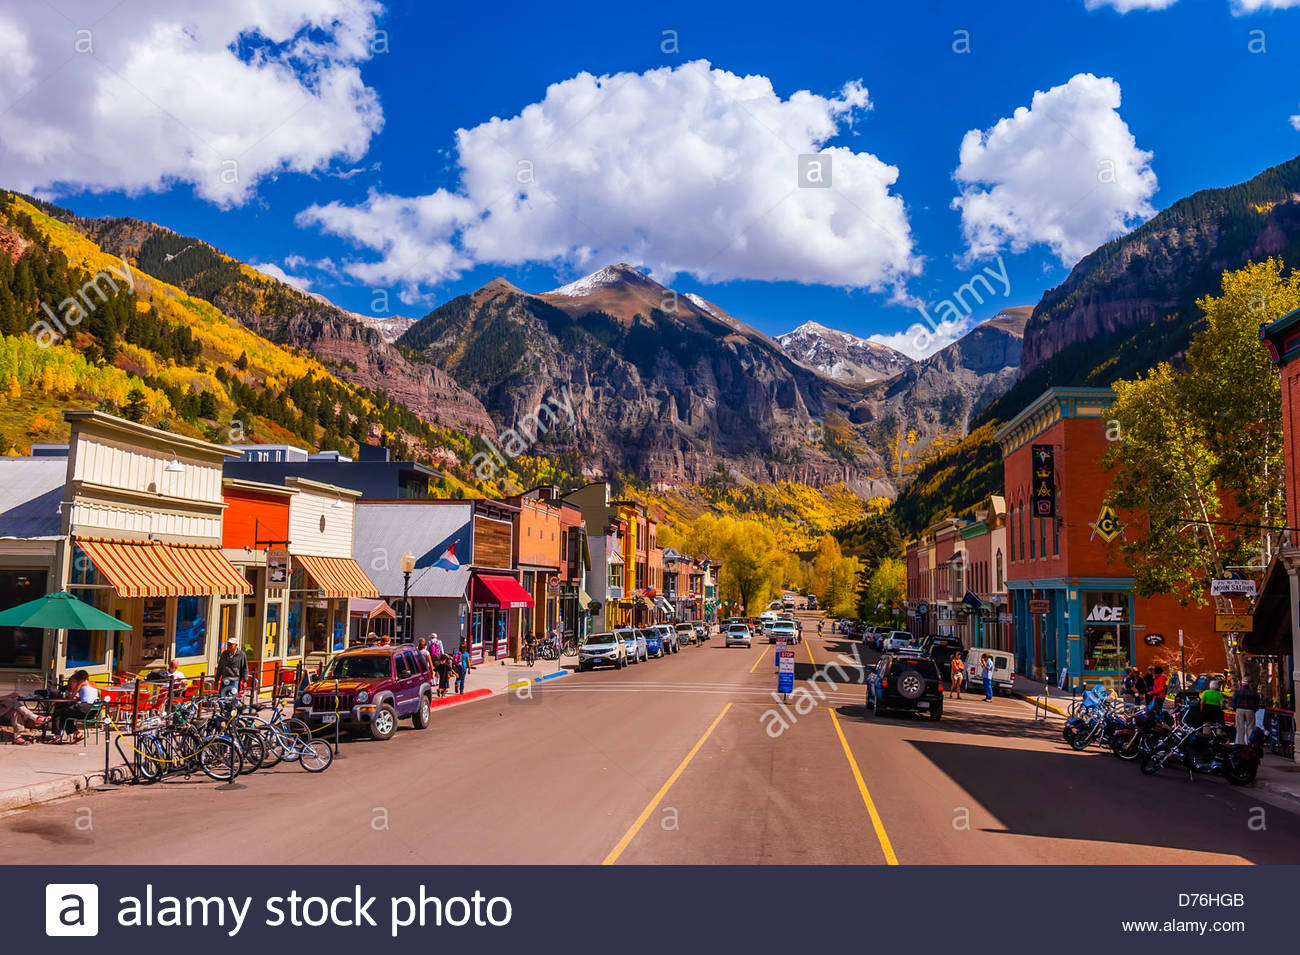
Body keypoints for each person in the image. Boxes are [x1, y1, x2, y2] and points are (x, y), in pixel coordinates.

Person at [55, 670, 100, 742]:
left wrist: (67, 695)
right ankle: (77, 734)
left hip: (84, 708)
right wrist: (79, 698)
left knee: (59, 713)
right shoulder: (93, 683)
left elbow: (72, 696)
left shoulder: (81, 683)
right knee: (66, 715)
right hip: (93, 711)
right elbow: (88, 696)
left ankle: (57, 736)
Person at [1231, 678, 1260, 745]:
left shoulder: (1237, 691)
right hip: (1250, 710)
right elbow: (1257, 702)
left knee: (1240, 727)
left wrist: (1235, 708)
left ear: (1242, 683)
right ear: (1249, 683)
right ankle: (1250, 742)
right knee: (1250, 727)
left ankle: (1241, 743)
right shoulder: (1253, 692)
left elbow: (1234, 700)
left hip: (1239, 709)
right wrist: (1254, 709)